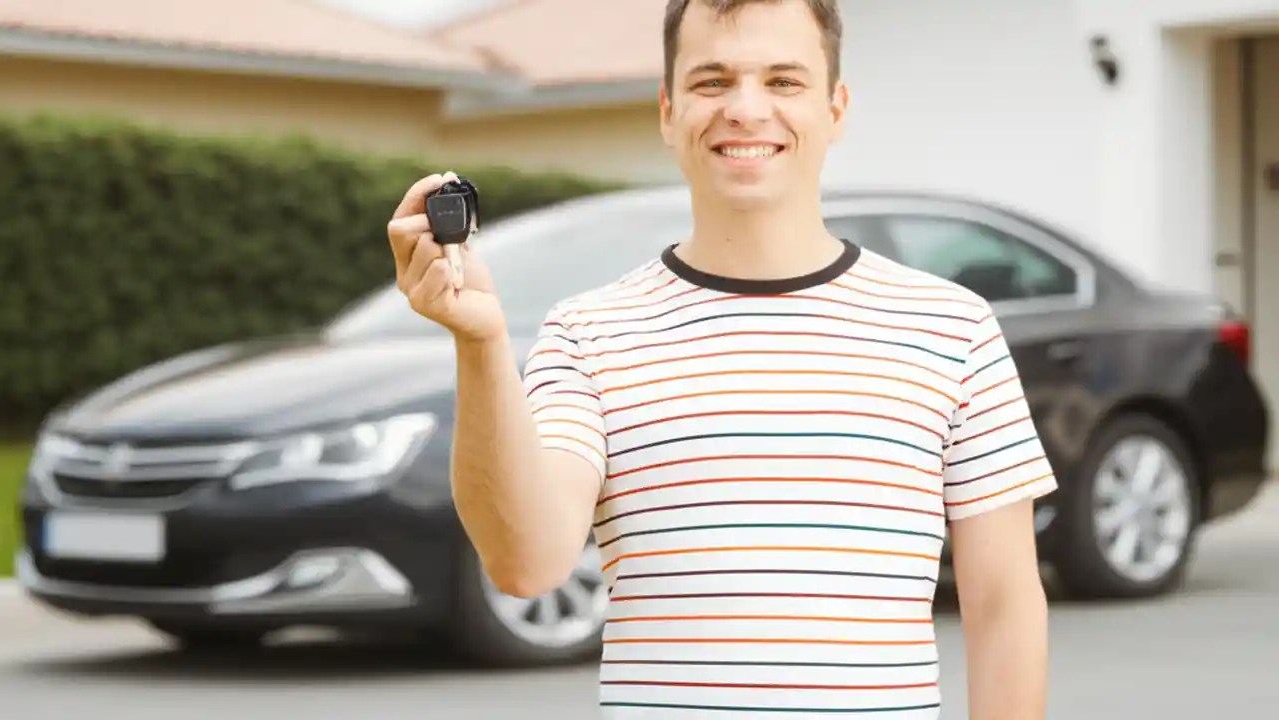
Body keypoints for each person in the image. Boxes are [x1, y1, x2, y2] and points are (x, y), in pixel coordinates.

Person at [386, 0, 1056, 717]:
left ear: (836, 108)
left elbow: (1004, 603)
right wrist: (479, 343)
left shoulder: (952, 328)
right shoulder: (587, 334)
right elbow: (527, 563)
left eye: (783, 81)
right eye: (712, 81)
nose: (745, 108)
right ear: (668, 111)